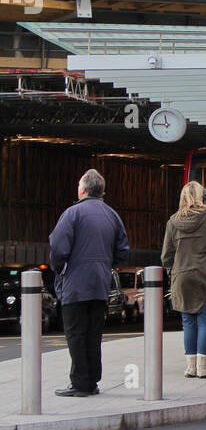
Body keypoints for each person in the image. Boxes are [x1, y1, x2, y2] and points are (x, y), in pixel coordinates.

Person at [49, 169, 130, 397]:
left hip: (75, 284)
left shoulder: (72, 214)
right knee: (94, 334)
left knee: (75, 334)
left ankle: (80, 383)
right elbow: (122, 250)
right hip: (100, 284)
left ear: (83, 189)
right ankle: (92, 381)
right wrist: (104, 263)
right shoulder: (112, 215)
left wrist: (60, 268)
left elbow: (58, 248)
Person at [161, 182, 206, 379]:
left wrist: (173, 271)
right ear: (200, 196)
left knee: (188, 322)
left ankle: (190, 367)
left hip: (183, 276)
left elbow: (166, 256)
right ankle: (202, 368)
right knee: (205, 321)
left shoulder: (173, 221)